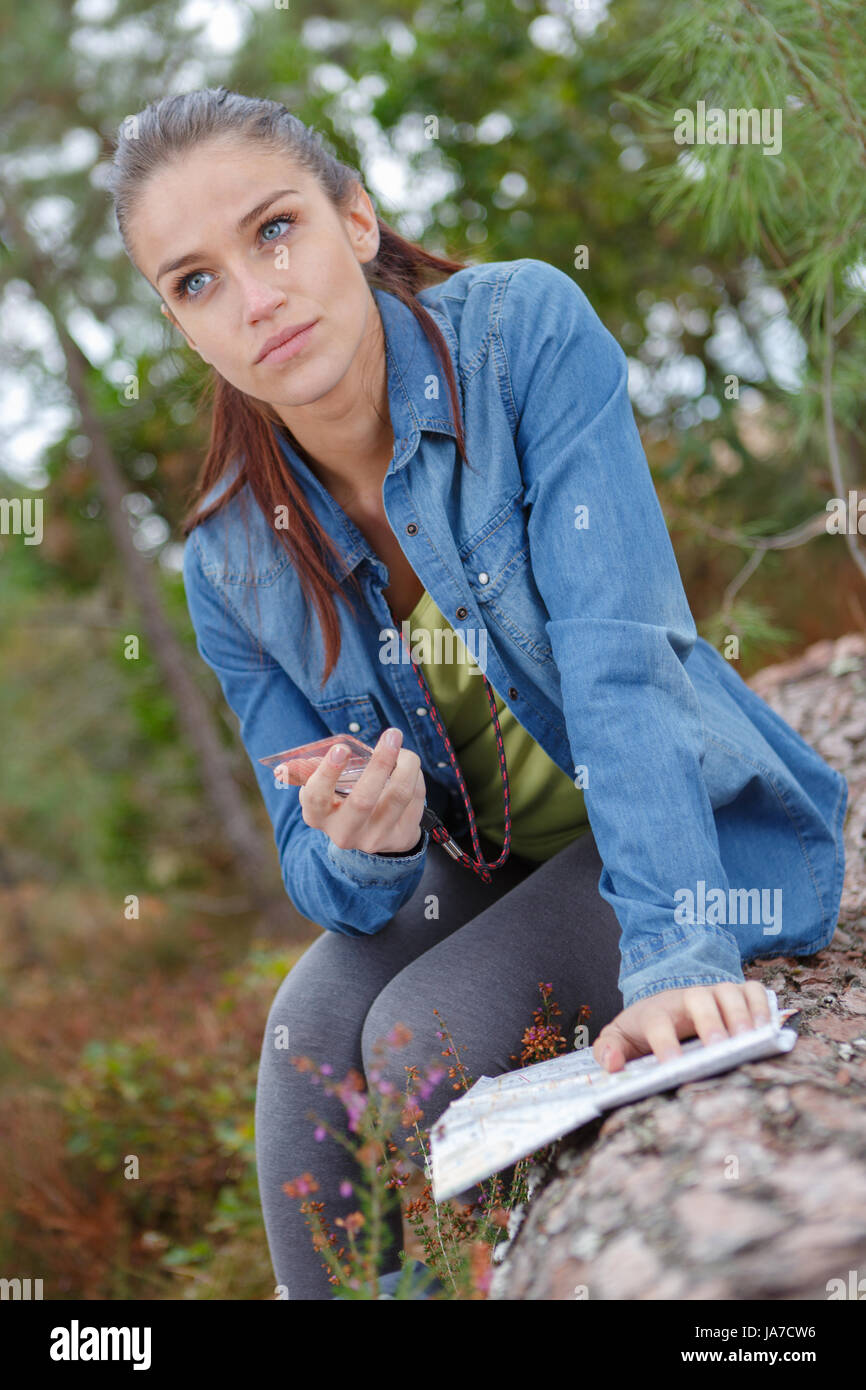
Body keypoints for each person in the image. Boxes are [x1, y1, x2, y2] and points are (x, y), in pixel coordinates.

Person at [104, 86, 848, 1301]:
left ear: (355, 217)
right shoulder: (231, 559)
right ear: (181, 324)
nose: (252, 297)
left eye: (274, 229)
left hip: (674, 830)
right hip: (481, 862)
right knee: (301, 1050)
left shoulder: (520, 336)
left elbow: (620, 657)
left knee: (413, 1044)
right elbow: (309, 854)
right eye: (193, 281)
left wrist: (674, 957)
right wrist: (366, 844)